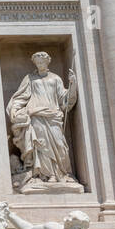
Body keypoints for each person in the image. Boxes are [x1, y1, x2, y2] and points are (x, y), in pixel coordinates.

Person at [7, 51, 77, 184]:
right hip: (37, 115)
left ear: (47, 62)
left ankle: (63, 173)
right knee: (41, 145)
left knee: (59, 145)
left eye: (42, 62)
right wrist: (15, 109)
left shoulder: (56, 79)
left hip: (53, 115)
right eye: (37, 63)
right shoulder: (30, 78)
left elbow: (65, 100)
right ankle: (48, 175)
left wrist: (72, 85)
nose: (40, 65)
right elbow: (21, 97)